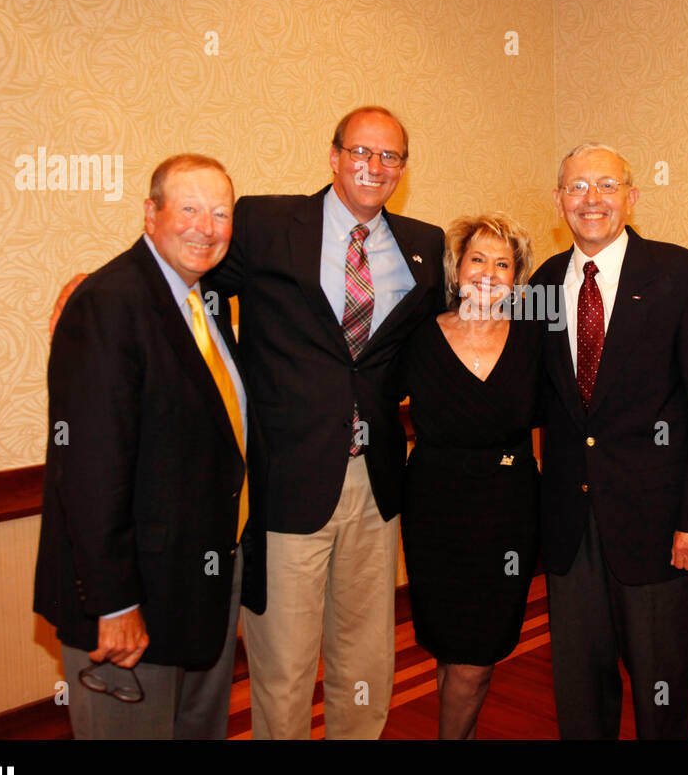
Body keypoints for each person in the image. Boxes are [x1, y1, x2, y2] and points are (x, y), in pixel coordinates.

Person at [207, 107, 444, 739]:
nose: (375, 166)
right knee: (283, 665)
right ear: (334, 155)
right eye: (362, 151)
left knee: (366, 658)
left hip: (377, 483)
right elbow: (197, 285)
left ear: (403, 168)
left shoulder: (424, 244)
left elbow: (439, 343)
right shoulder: (265, 222)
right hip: (286, 480)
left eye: (390, 156)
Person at [34, 153, 265, 739]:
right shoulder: (108, 303)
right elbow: (87, 469)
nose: (206, 227)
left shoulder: (204, 303)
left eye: (220, 213)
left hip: (200, 587)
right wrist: (113, 605)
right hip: (134, 597)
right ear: (150, 213)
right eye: (189, 208)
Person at [529, 143, 688, 739]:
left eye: (607, 186)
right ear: (559, 199)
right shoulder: (539, 285)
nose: (592, 199)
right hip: (570, 529)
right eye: (578, 187)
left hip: (661, 526)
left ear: (632, 198)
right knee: (581, 697)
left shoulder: (681, 274)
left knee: (661, 696)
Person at [400, 213, 541, 739]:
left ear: (516, 277)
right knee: (447, 647)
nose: (488, 272)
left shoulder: (535, 339)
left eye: (502, 263)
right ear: (457, 269)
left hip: (507, 517)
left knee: (478, 655)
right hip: (434, 513)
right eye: (477, 259)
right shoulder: (418, 335)